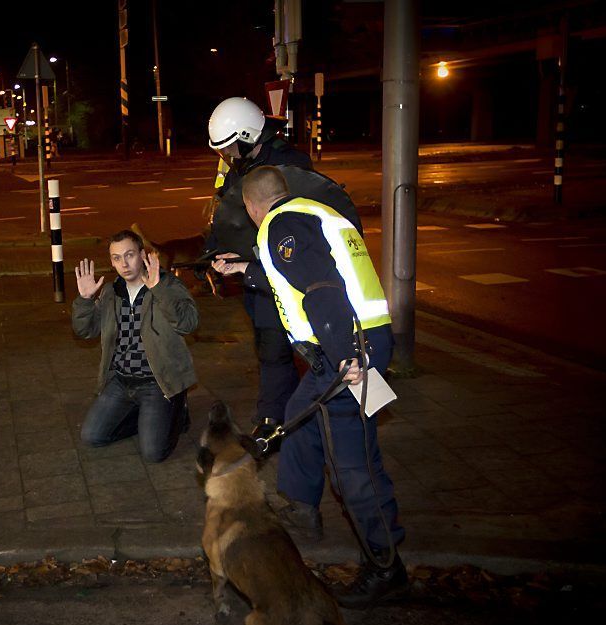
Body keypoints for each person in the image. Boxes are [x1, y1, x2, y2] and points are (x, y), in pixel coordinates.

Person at [212, 166, 407, 609]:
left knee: (353, 468)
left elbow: (321, 288)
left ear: (252, 207)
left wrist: (344, 357)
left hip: (346, 349)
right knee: (300, 418)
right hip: (350, 343)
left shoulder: (283, 226)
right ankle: (300, 504)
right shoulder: (308, 214)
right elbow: (296, 277)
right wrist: (246, 268)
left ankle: (385, 566)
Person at [204, 97, 313, 454]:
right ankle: (285, 412)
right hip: (252, 269)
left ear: (250, 136)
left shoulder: (290, 165)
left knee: (277, 347)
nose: (228, 156)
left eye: (232, 148)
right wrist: (213, 250)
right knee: (269, 345)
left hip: (281, 269)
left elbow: (294, 223)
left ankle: (274, 420)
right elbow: (228, 207)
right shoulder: (238, 164)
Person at [72, 230, 198, 463]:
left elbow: (189, 323)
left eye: (129, 255)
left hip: (157, 382)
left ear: (142, 255)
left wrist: (159, 290)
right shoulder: (111, 292)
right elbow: (85, 330)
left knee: (153, 454)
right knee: (92, 436)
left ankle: (176, 413)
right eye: (117, 258)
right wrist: (85, 300)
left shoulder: (167, 283)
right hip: (121, 381)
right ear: (111, 262)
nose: (124, 264)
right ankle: (149, 419)